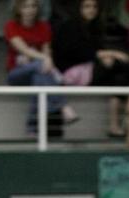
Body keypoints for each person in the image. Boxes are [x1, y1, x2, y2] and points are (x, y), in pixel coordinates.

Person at [51, 0, 129, 137]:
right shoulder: (69, 26)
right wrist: (109, 54)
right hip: (70, 72)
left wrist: (104, 56)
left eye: (94, 6)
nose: (92, 10)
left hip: (88, 68)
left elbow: (95, 50)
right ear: (79, 8)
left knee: (121, 76)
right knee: (121, 66)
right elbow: (76, 52)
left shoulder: (94, 27)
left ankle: (115, 124)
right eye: (87, 6)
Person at [4, 0, 77, 133]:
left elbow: (46, 51)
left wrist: (46, 58)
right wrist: (45, 58)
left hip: (38, 72)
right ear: (19, 9)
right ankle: (63, 106)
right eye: (26, 6)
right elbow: (24, 49)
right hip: (16, 74)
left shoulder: (44, 26)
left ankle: (31, 125)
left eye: (33, 6)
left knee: (39, 77)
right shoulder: (11, 25)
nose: (30, 10)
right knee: (39, 65)